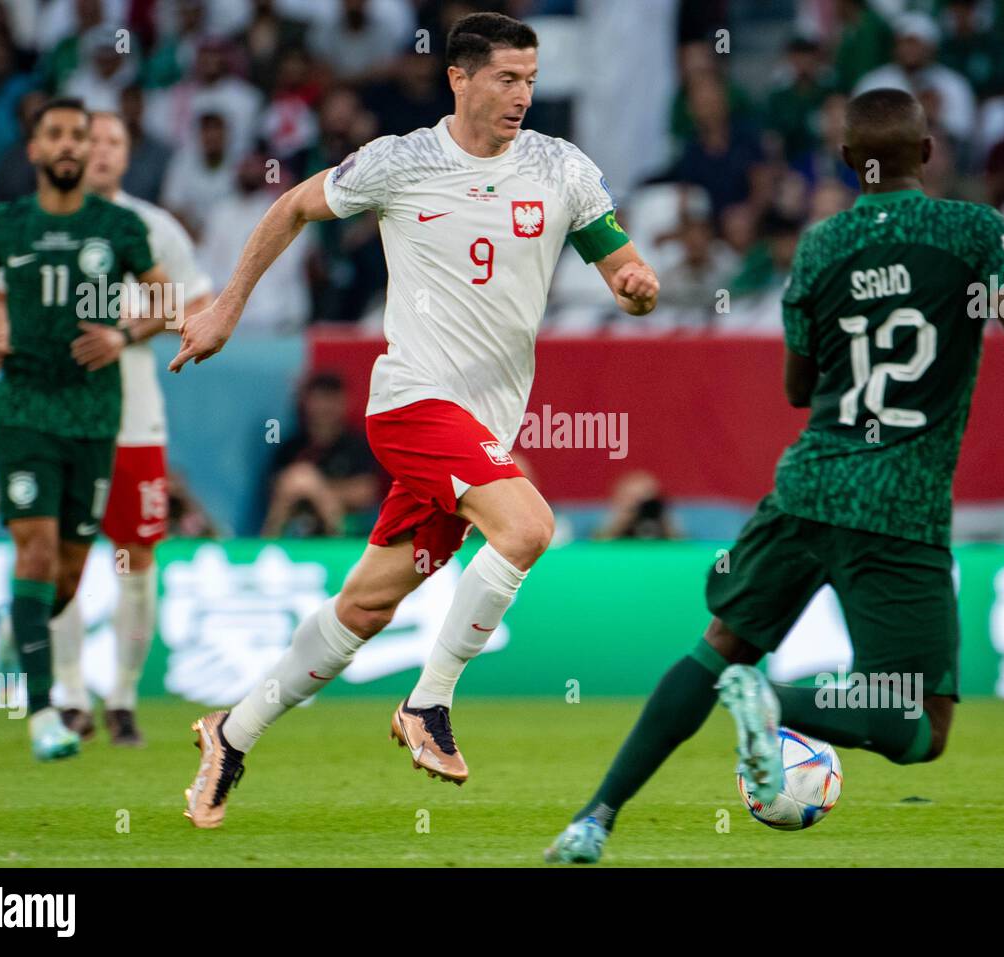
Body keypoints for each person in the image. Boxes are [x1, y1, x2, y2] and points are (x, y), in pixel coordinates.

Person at [546, 88, 1004, 864]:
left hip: (806, 484)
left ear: (851, 164)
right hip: (899, 500)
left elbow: (797, 386)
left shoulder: (822, 247)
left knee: (721, 642)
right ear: (930, 153)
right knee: (919, 727)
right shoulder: (975, 232)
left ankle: (594, 818)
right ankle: (776, 700)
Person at [169, 12, 659, 829]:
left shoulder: (561, 168)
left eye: (531, 80)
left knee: (365, 607)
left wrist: (635, 282)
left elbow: (619, 259)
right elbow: (292, 206)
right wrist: (225, 306)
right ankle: (428, 704)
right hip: (412, 401)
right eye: (506, 78)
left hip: (486, 423)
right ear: (459, 78)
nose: (522, 96)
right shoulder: (400, 162)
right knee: (528, 526)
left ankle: (232, 730)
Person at [0, 98, 172, 761]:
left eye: (80, 134)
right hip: (25, 412)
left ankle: (26, 628)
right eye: (57, 135)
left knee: (66, 576)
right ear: (35, 150)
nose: (70, 145)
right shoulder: (6, 225)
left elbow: (165, 299)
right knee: (35, 554)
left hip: (98, 418)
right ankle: (44, 712)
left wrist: (123, 331)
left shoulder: (119, 226)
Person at [35, 110, 210, 747]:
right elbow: (2, 301)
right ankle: (72, 694)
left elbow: (196, 307)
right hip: (59, 417)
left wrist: (129, 330)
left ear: (128, 153)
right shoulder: (43, 223)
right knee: (61, 556)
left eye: (115, 142)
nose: (102, 151)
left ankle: (125, 697)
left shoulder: (153, 228)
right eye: (91, 140)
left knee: (136, 555)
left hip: (134, 418)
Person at [261, 372, 381, 537]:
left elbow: (366, 493)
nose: (325, 407)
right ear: (306, 402)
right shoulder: (290, 447)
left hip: (348, 527)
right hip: (297, 528)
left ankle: (336, 542)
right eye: (319, 399)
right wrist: (304, 485)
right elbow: (278, 491)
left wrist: (315, 487)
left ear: (344, 402)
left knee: (304, 478)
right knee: (299, 477)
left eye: (331, 399)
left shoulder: (357, 445)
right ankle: (268, 545)